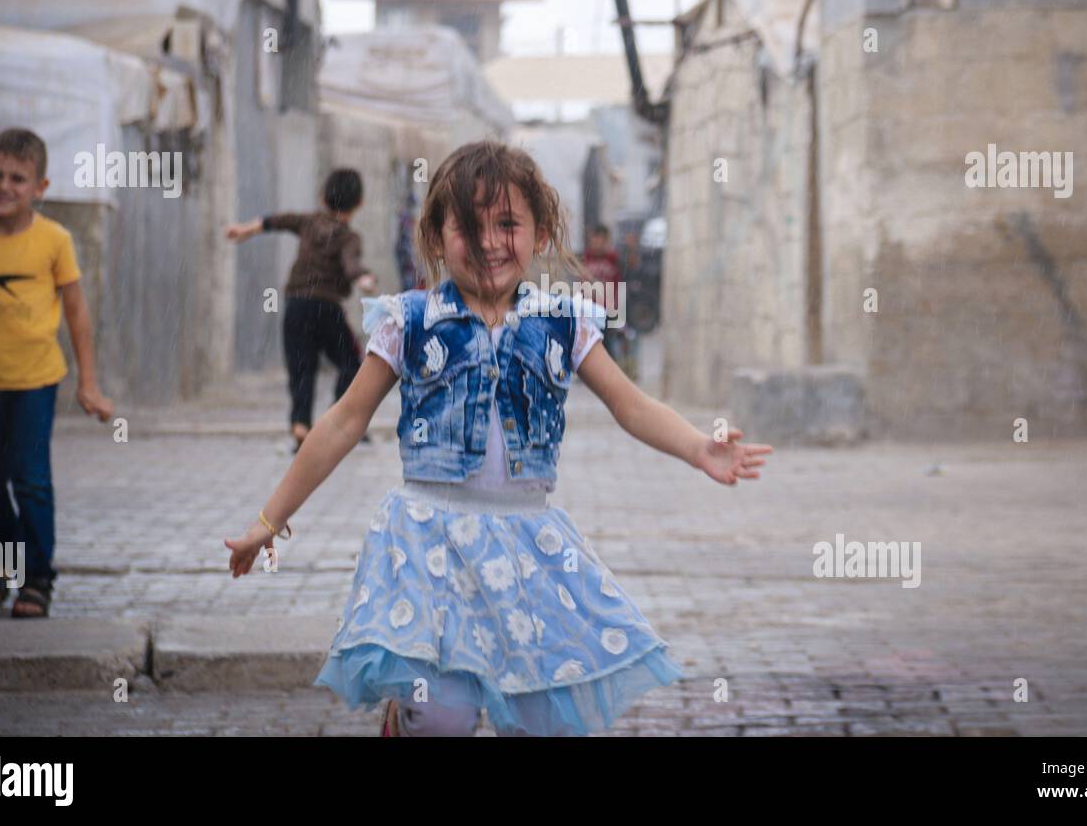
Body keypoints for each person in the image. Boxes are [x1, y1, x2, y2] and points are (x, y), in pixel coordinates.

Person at [224, 140, 772, 736]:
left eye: (508, 223)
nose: (489, 242)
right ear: (437, 237)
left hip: (527, 547)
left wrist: (698, 446)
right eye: (468, 226)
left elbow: (629, 404)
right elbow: (343, 422)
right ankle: (407, 719)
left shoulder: (564, 321)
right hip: (428, 542)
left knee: (539, 713)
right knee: (443, 715)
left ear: (540, 234)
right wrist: (269, 520)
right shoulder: (408, 320)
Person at [0, 128, 114, 617]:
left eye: (18, 179)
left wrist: (88, 382)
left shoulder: (54, 241)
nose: (5, 186)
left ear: (40, 186)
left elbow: (78, 313)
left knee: (30, 479)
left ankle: (37, 577)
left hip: (36, 382)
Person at [225, 169, 377, 452]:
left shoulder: (309, 222)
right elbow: (351, 263)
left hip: (296, 306)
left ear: (322, 197)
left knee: (302, 367)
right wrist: (363, 278)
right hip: (326, 308)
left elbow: (276, 221)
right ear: (359, 204)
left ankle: (300, 425)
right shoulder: (349, 237)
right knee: (352, 362)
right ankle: (338, 420)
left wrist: (244, 230)